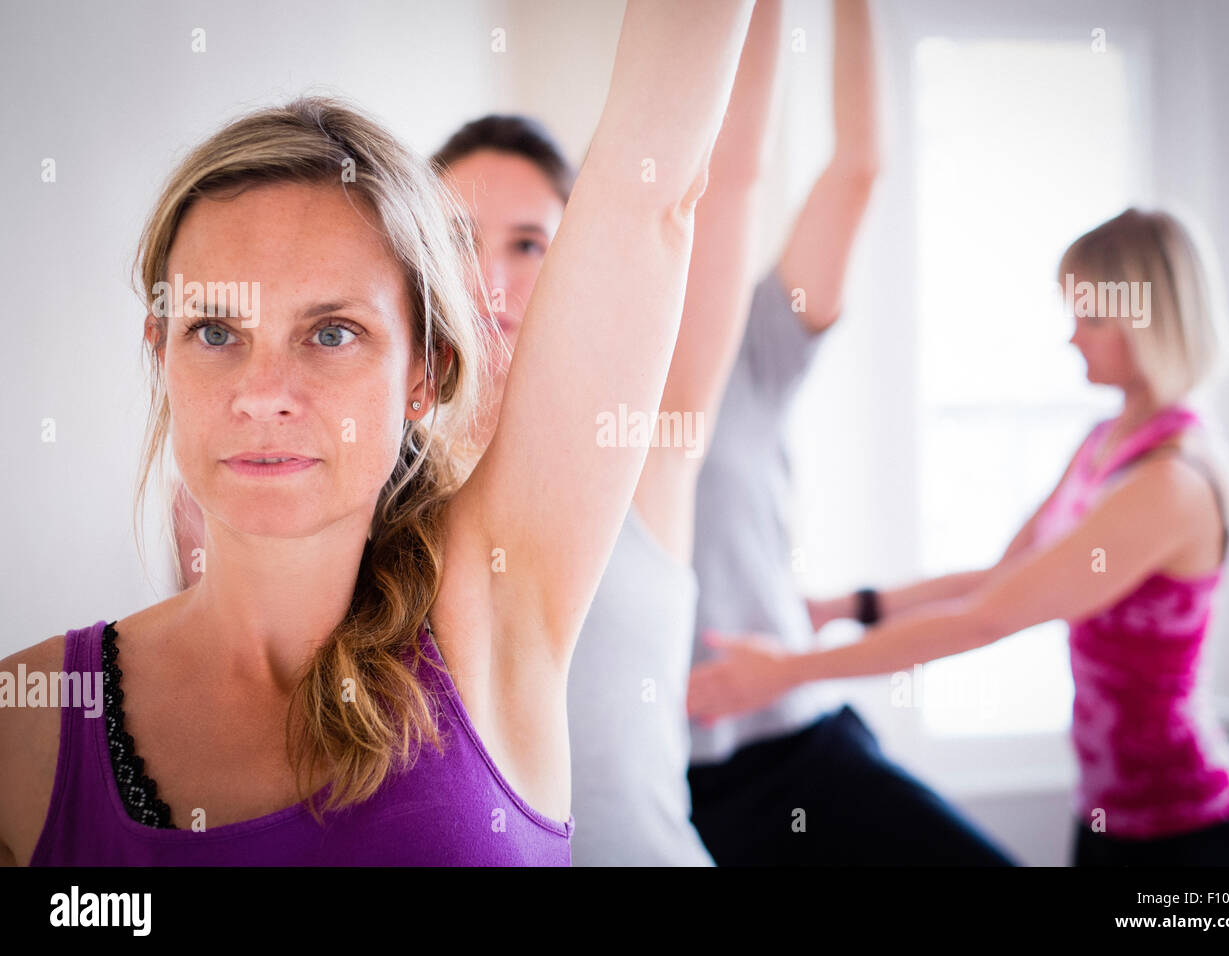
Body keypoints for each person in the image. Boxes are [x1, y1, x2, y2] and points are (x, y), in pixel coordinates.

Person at [0, 0, 758, 866]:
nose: (264, 394)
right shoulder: (28, 726)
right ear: (161, 353)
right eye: (215, 332)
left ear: (424, 372)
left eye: (331, 333)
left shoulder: (491, 611)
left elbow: (652, 193)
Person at [688, 207, 1229, 867]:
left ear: (1151, 325)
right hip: (1107, 820)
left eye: (1093, 319)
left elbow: (988, 619)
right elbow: (998, 580)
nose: (1072, 338)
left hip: (1188, 836)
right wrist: (840, 609)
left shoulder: (1173, 482)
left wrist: (788, 671)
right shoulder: (1105, 443)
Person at [429, 0, 785, 865]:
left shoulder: (648, 442)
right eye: (458, 239)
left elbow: (718, 178)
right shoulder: (373, 484)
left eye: (528, 244)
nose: (489, 278)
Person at [684, 0, 1018, 866]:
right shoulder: (547, 383)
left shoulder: (746, 342)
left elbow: (857, 165)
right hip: (649, 784)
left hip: (791, 741)